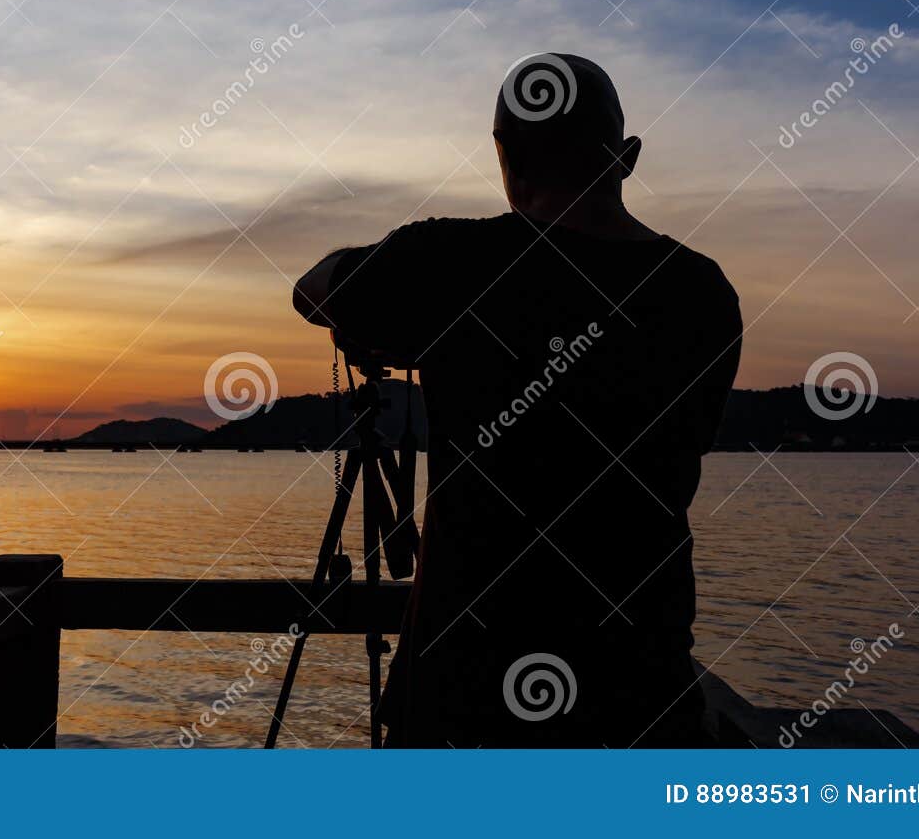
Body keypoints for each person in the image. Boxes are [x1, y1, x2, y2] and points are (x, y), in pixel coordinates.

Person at [292, 53, 742, 747]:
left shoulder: (448, 263)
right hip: (639, 699)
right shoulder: (702, 294)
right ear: (626, 157)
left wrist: (423, 332)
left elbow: (311, 288)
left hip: (463, 707)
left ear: (507, 161)